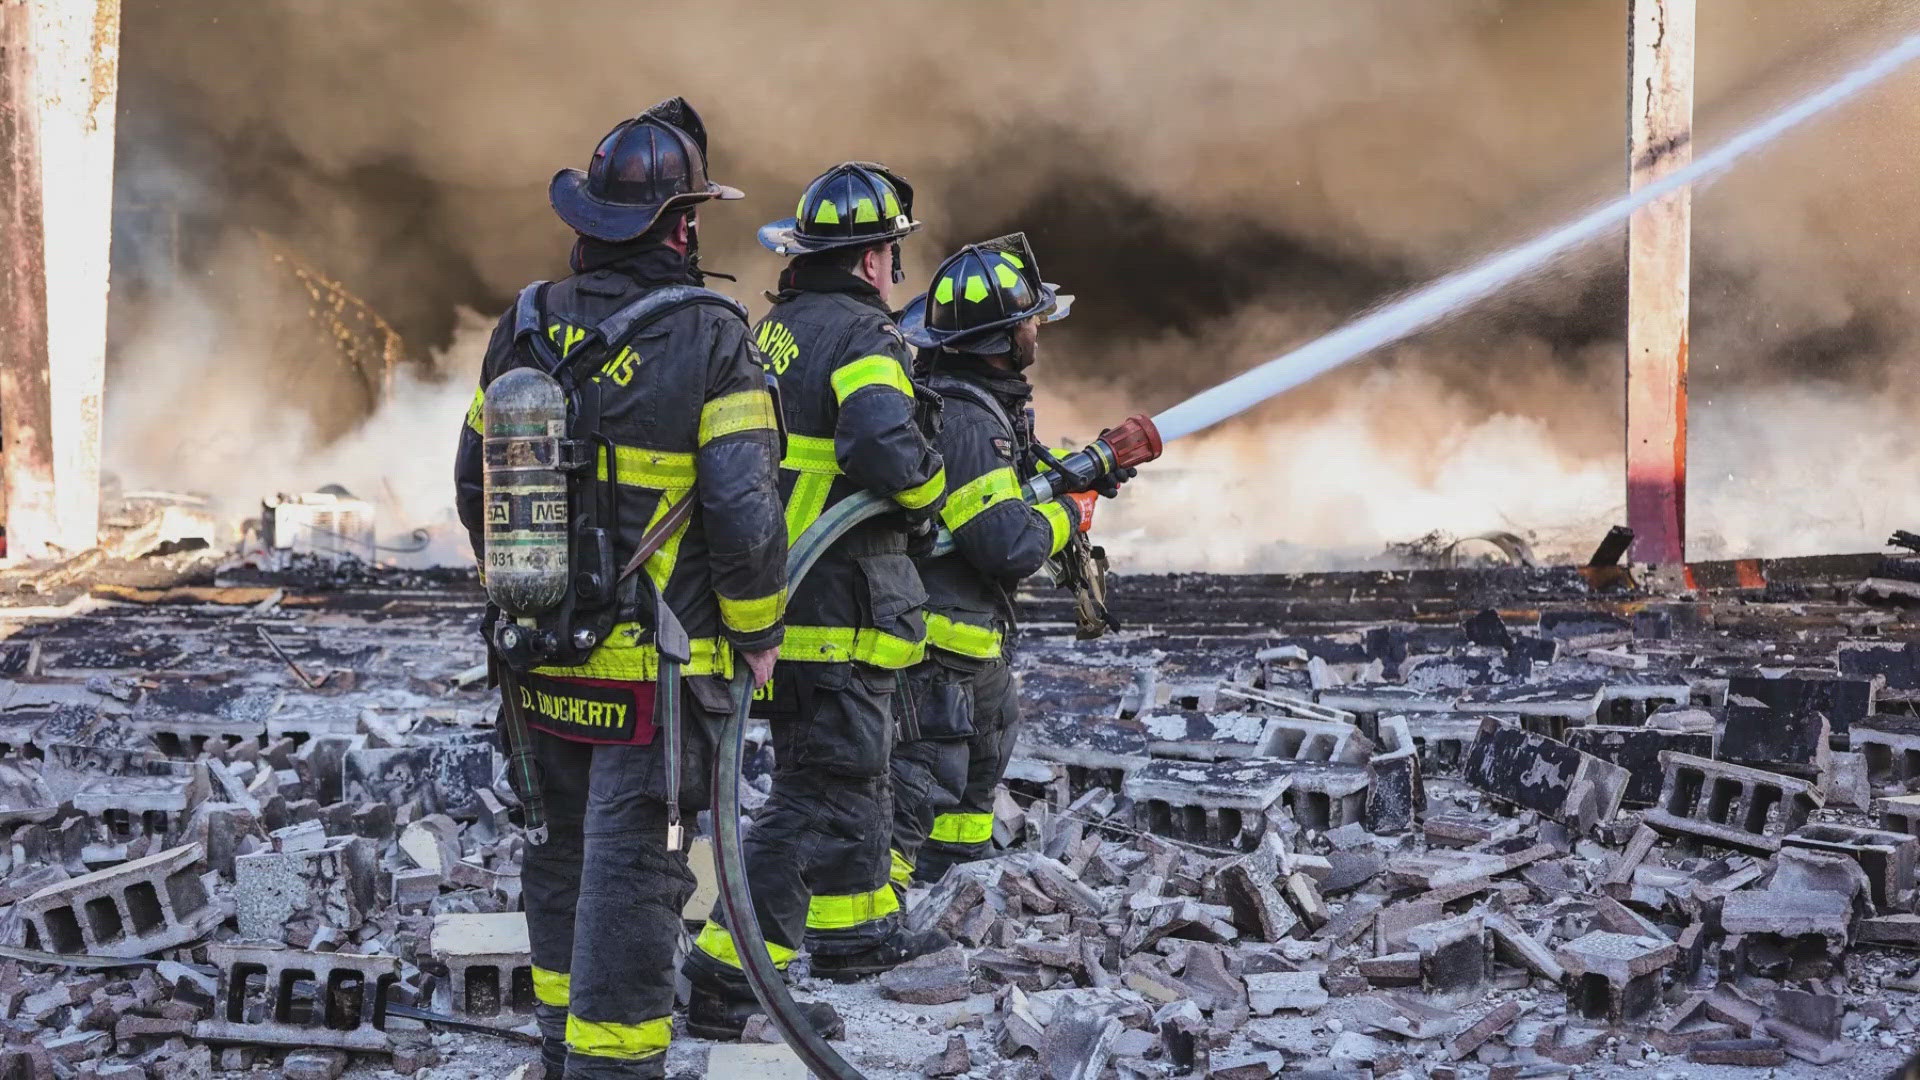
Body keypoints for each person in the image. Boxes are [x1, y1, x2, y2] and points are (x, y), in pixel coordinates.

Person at [454, 97, 786, 1080]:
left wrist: (526, 593)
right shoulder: (716, 340)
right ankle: (616, 1066)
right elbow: (743, 513)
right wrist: (761, 632)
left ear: (589, 221)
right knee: (635, 875)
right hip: (653, 684)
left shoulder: (523, 325)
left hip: (535, 661)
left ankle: (562, 1052)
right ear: (683, 225)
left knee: (555, 855)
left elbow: (473, 482)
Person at [682, 161, 950, 1038]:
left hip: (787, 603)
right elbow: (882, 445)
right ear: (877, 260)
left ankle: (851, 931)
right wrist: (927, 487)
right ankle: (731, 974)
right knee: (819, 790)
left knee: (839, 778)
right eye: (892, 255)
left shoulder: (781, 328)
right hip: (835, 607)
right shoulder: (864, 339)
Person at [888, 233, 1121, 888]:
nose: (1038, 332)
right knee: (923, 780)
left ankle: (953, 879)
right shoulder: (967, 421)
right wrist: (1071, 512)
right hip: (938, 645)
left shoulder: (982, 406)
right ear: (1002, 338)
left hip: (971, 646)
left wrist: (1085, 468)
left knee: (985, 751)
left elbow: (1008, 496)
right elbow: (1006, 545)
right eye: (1029, 322)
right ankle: (872, 921)